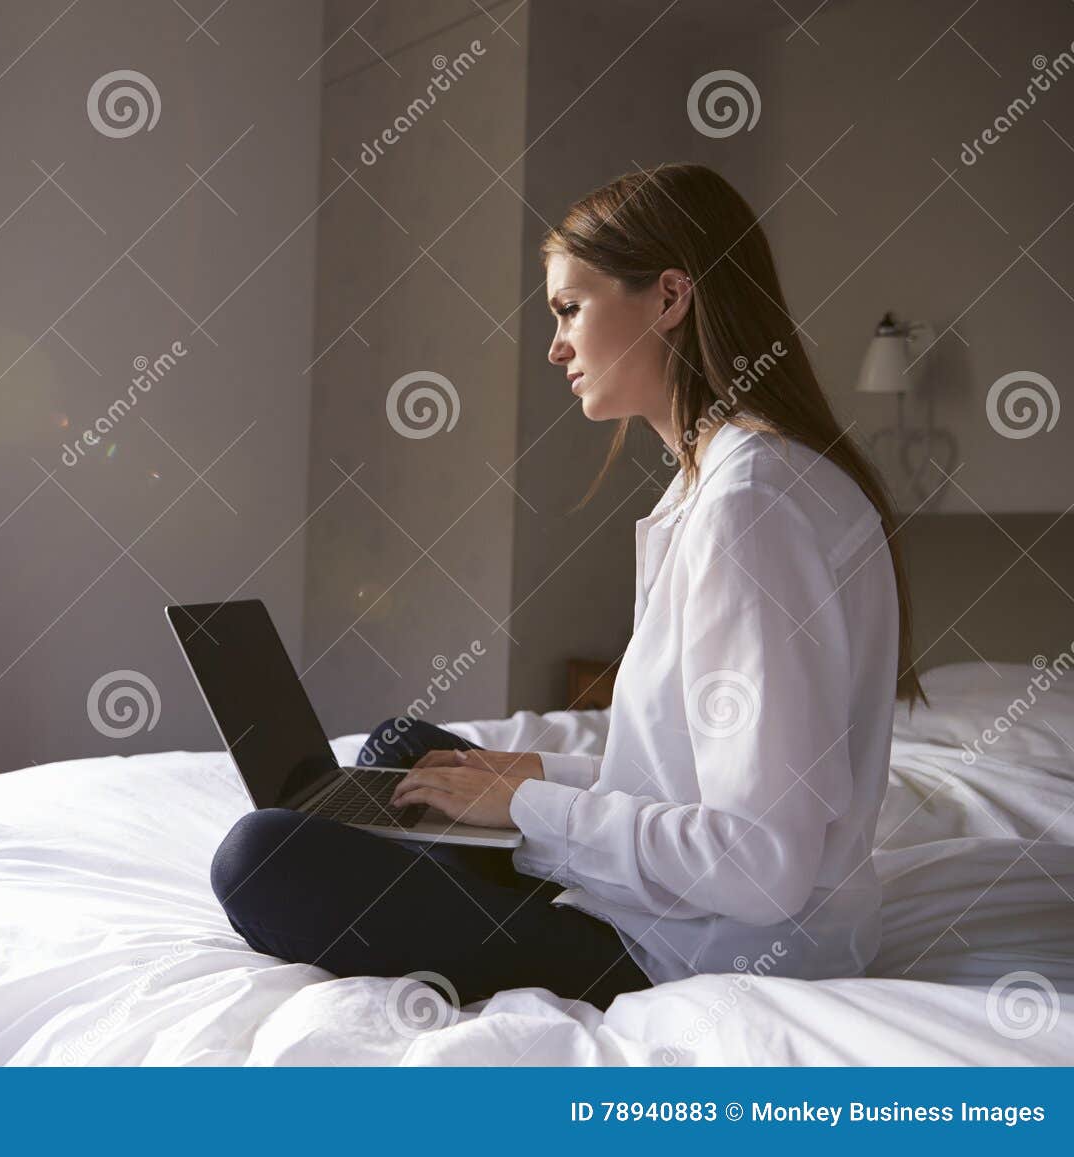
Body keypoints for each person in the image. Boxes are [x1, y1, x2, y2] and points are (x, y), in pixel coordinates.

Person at [210, 162, 926, 1013]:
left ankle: (419, 854)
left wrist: (531, 805)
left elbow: (758, 865)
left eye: (568, 309)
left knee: (260, 857)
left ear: (669, 298)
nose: (554, 346)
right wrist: (534, 773)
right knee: (404, 751)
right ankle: (417, 837)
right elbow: (694, 770)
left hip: (699, 948)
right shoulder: (744, 477)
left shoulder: (749, 506)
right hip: (690, 911)